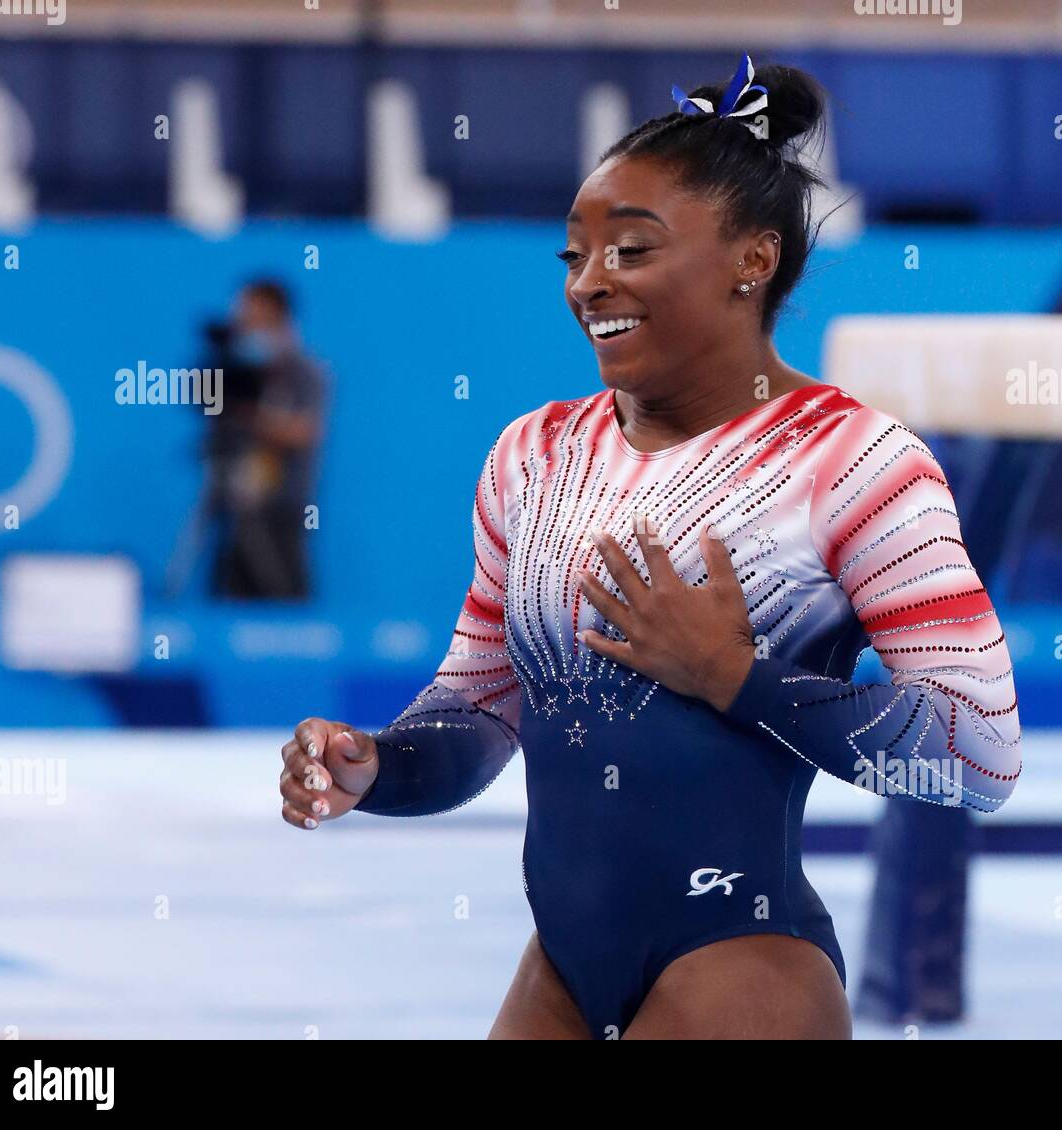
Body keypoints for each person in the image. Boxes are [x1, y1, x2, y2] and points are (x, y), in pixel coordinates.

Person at [278, 57, 1022, 1039]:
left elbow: (977, 754)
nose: (590, 283)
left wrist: (734, 673)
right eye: (575, 256)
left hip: (742, 971)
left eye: (629, 249)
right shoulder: (533, 454)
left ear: (750, 261)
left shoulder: (855, 462)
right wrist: (379, 763)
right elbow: (478, 705)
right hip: (560, 968)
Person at [208, 279, 327, 600]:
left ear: (278, 317)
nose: (246, 325)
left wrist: (250, 416)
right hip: (236, 503)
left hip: (282, 508)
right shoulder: (237, 373)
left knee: (283, 601)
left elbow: (304, 431)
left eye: (255, 318)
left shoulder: (305, 371)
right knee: (230, 598)